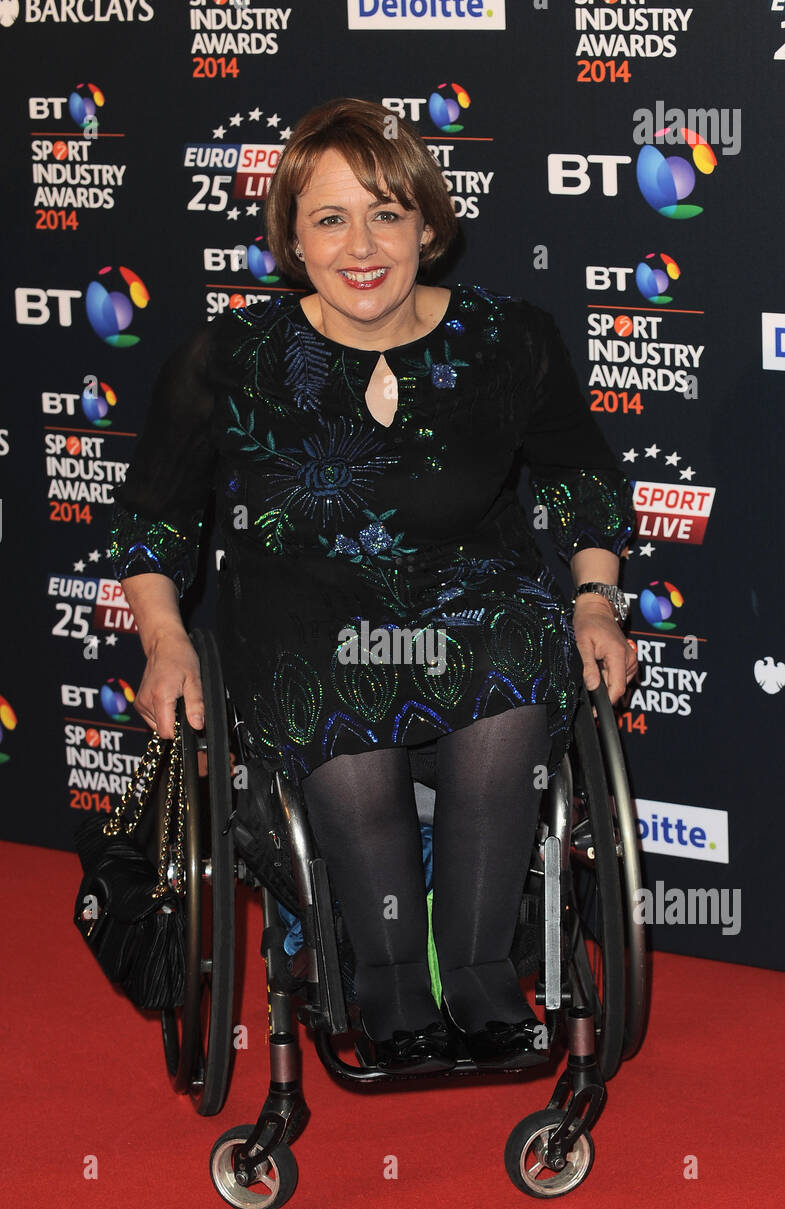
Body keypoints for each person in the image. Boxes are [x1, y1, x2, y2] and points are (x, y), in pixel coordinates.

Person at [109, 97, 637, 1075]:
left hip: (468, 605)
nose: (361, 245)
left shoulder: (508, 341)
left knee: (519, 646)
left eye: (385, 214)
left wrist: (594, 598)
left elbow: (580, 479)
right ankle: (388, 983)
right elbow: (154, 516)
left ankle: (483, 976)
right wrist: (163, 635)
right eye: (329, 218)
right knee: (331, 668)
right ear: (291, 241)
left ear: (427, 228)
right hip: (301, 609)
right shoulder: (231, 361)